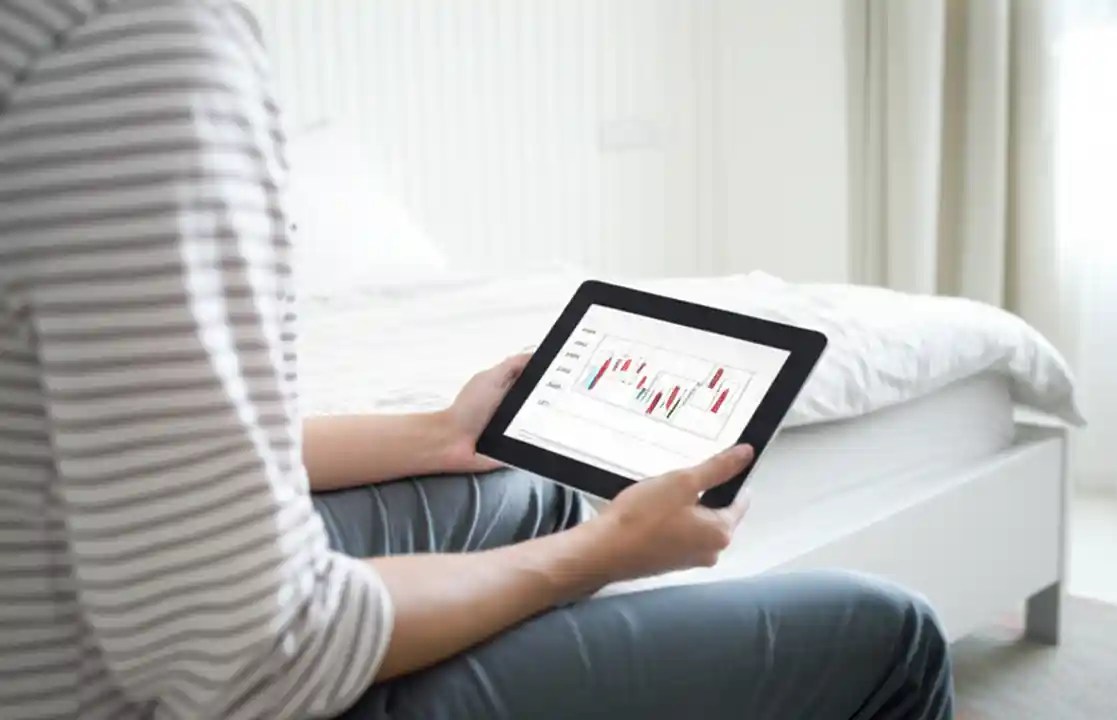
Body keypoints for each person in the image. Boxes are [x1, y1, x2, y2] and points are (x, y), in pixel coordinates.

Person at [0, 1, 953, 718]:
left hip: (91, 598)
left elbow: (141, 446)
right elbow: (260, 654)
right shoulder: (132, 45)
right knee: (892, 633)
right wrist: (598, 555)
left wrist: (436, 432)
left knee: (523, 492)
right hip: (159, 687)